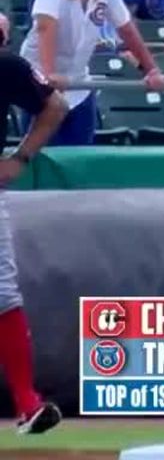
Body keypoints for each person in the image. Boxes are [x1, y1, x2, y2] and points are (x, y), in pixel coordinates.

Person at [20, 0, 164, 147]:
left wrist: (151, 69)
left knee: (81, 152)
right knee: (41, 153)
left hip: (78, 80)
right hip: (41, 81)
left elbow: (126, 28)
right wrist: (49, 75)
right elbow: (45, 27)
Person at [0, 46, 67, 436]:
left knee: (3, 294)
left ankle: (28, 403)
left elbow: (54, 105)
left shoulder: (5, 64)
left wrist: (21, 157)